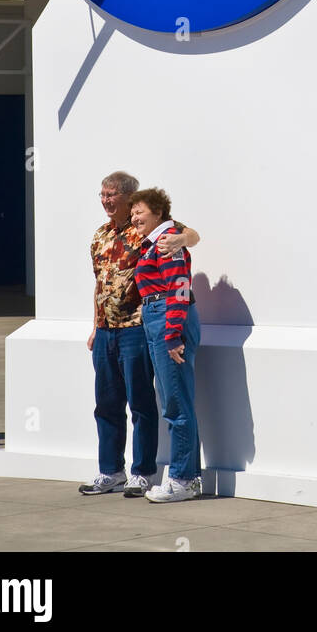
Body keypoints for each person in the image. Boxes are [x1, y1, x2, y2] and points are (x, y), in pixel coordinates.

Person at [79, 172, 199, 499]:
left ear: (131, 200)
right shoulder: (101, 235)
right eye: (101, 194)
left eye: (112, 195)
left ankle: (150, 473)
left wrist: (181, 239)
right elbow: (100, 283)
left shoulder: (157, 235)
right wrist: (95, 325)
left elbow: (188, 240)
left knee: (148, 403)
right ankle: (110, 471)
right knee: (107, 403)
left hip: (140, 326)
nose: (105, 200)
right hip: (108, 329)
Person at [131, 188, 202, 504]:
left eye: (139, 211)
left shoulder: (168, 240)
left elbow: (179, 288)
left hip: (168, 320)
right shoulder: (155, 242)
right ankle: (186, 477)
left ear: (158, 212)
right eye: (132, 212)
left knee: (175, 401)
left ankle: (183, 480)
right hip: (156, 317)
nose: (134, 217)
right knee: (175, 399)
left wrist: (172, 334)